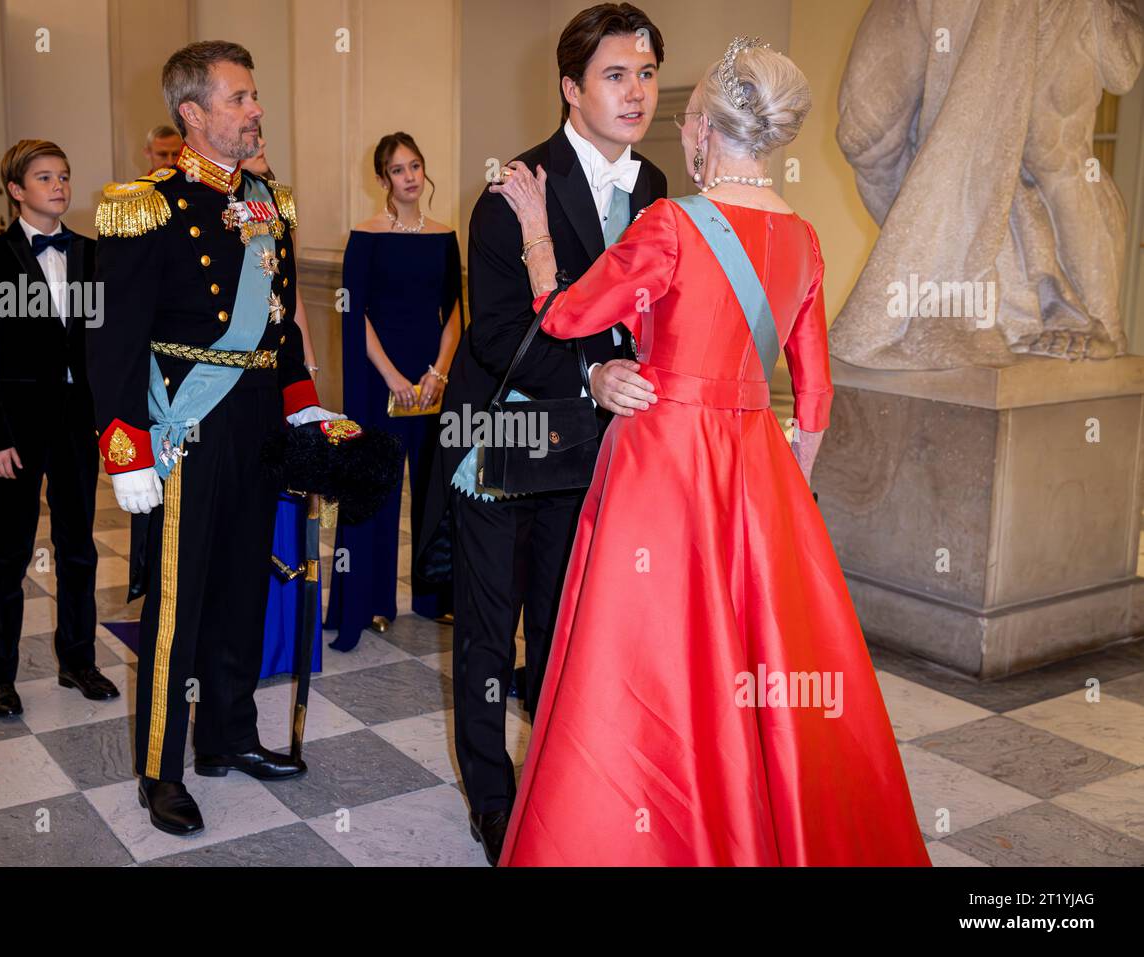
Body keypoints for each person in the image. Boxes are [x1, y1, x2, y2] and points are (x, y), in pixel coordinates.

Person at [491, 38, 931, 866]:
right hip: (758, 464)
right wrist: (784, 488)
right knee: (759, 656)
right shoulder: (802, 237)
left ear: (702, 131)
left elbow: (562, 318)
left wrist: (537, 234)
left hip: (662, 459)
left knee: (648, 657)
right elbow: (817, 394)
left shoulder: (672, 223)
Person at [422, 2, 668, 865]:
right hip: (510, 442)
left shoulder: (654, 189)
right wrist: (586, 377)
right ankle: (492, 795)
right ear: (570, 87)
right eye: (614, 75)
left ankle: (568, 777)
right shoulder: (511, 190)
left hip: (602, 449)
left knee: (572, 620)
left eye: (645, 74)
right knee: (492, 628)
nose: (635, 92)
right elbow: (492, 332)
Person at [87, 41, 342, 837]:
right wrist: (124, 448)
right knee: (176, 605)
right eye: (238, 99)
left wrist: (303, 407)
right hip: (188, 428)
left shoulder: (270, 200)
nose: (255, 110)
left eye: (255, 95)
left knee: (242, 588)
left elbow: (280, 328)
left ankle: (229, 736)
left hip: (258, 423)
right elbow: (113, 339)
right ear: (192, 113)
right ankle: (161, 768)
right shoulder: (145, 205)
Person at [0, 139, 118, 718]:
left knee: (78, 548)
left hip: (77, 425)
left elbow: (100, 345)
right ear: (17, 191)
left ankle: (78, 660)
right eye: (44, 177)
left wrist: (108, 416)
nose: (58, 185)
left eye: (64, 175)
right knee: (8, 552)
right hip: (16, 431)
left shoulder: (90, 254)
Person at [324, 132, 461, 652]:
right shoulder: (366, 235)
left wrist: (439, 372)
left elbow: (454, 312)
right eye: (398, 170)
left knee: (435, 488)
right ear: (382, 180)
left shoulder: (445, 235)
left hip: (432, 378)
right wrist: (393, 377)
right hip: (379, 376)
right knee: (376, 488)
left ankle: (434, 595)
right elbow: (352, 311)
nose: (409, 177)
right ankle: (369, 601)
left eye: (416, 166)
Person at [239, 131, 324, 678]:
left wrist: (308, 378)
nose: (267, 166)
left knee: (292, 510)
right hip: (233, 386)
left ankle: (286, 641)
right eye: (257, 157)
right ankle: (258, 643)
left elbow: (290, 305)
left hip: (283, 375)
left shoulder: (278, 214)